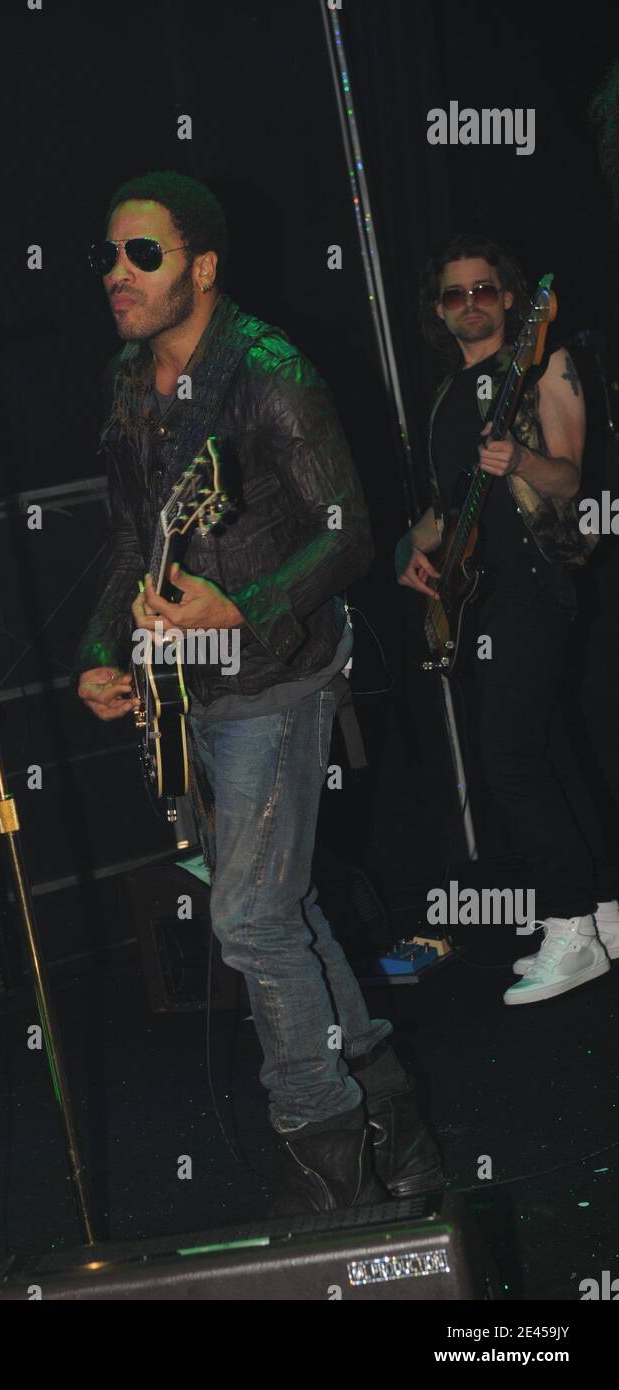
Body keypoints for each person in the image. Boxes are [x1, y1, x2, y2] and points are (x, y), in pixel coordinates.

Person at [75, 169, 443, 1211]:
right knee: (286, 912)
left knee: (245, 920)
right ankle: (400, 1143)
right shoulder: (127, 385)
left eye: (141, 253)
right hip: (184, 692)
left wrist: (239, 608)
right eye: (106, 255)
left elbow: (349, 535)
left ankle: (329, 1166)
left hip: (278, 675)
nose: (117, 273)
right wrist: (102, 653)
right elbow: (126, 540)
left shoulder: (269, 372)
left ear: (202, 265)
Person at [396, 235, 619, 1004]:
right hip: (480, 596)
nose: (470, 304)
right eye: (454, 294)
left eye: (483, 290)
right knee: (548, 750)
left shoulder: (542, 366)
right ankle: (602, 910)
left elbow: (568, 480)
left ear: (509, 297)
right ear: (438, 309)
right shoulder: (443, 396)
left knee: (511, 761)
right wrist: (408, 547)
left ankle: (565, 926)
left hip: (535, 584)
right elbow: (447, 508)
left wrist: (518, 461)